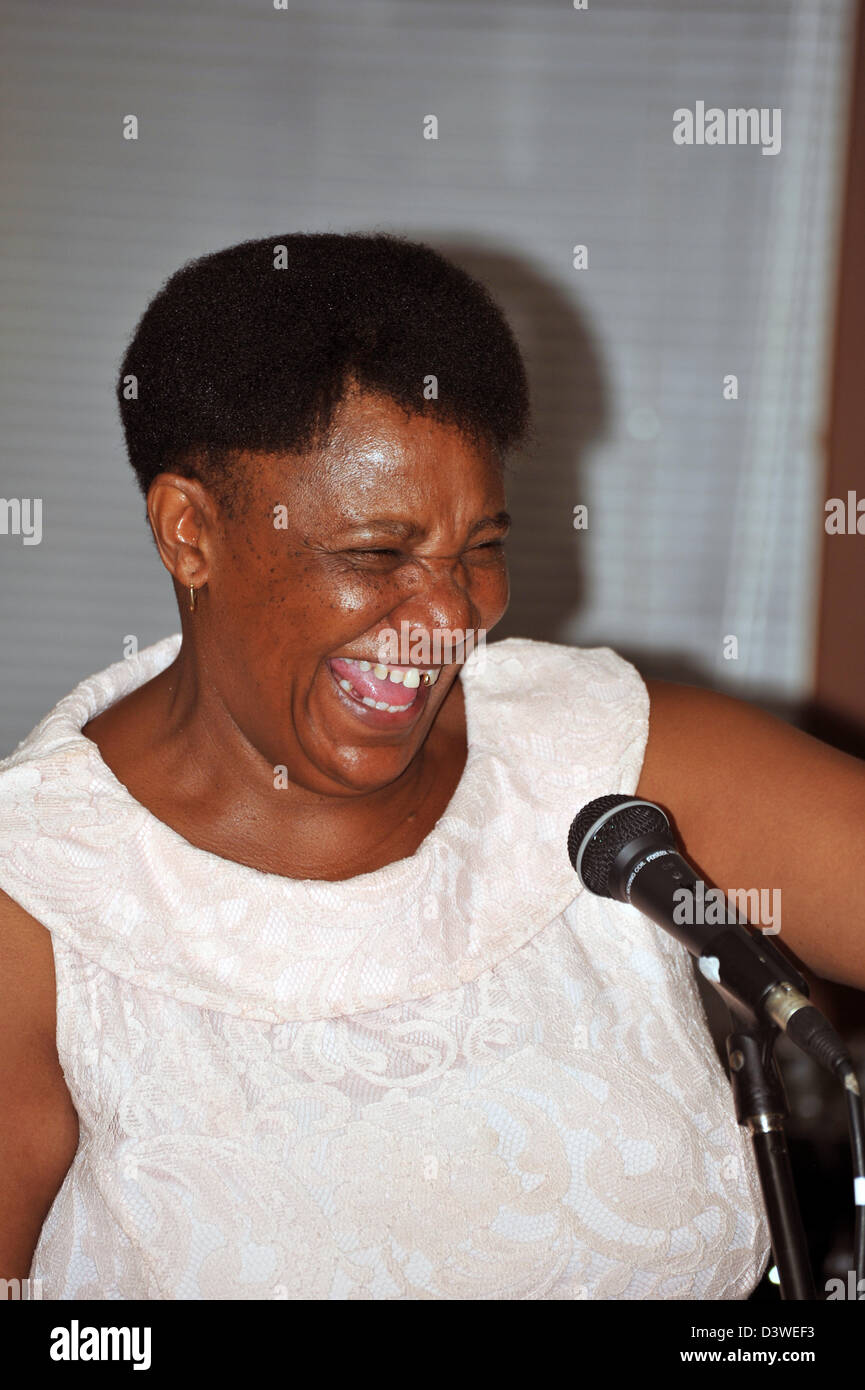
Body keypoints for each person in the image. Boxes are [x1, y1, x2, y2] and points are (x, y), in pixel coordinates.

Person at [0, 233, 862, 1300]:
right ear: (190, 532)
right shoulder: (37, 894)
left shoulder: (603, 762)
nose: (452, 616)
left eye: (479, 548)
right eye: (375, 554)